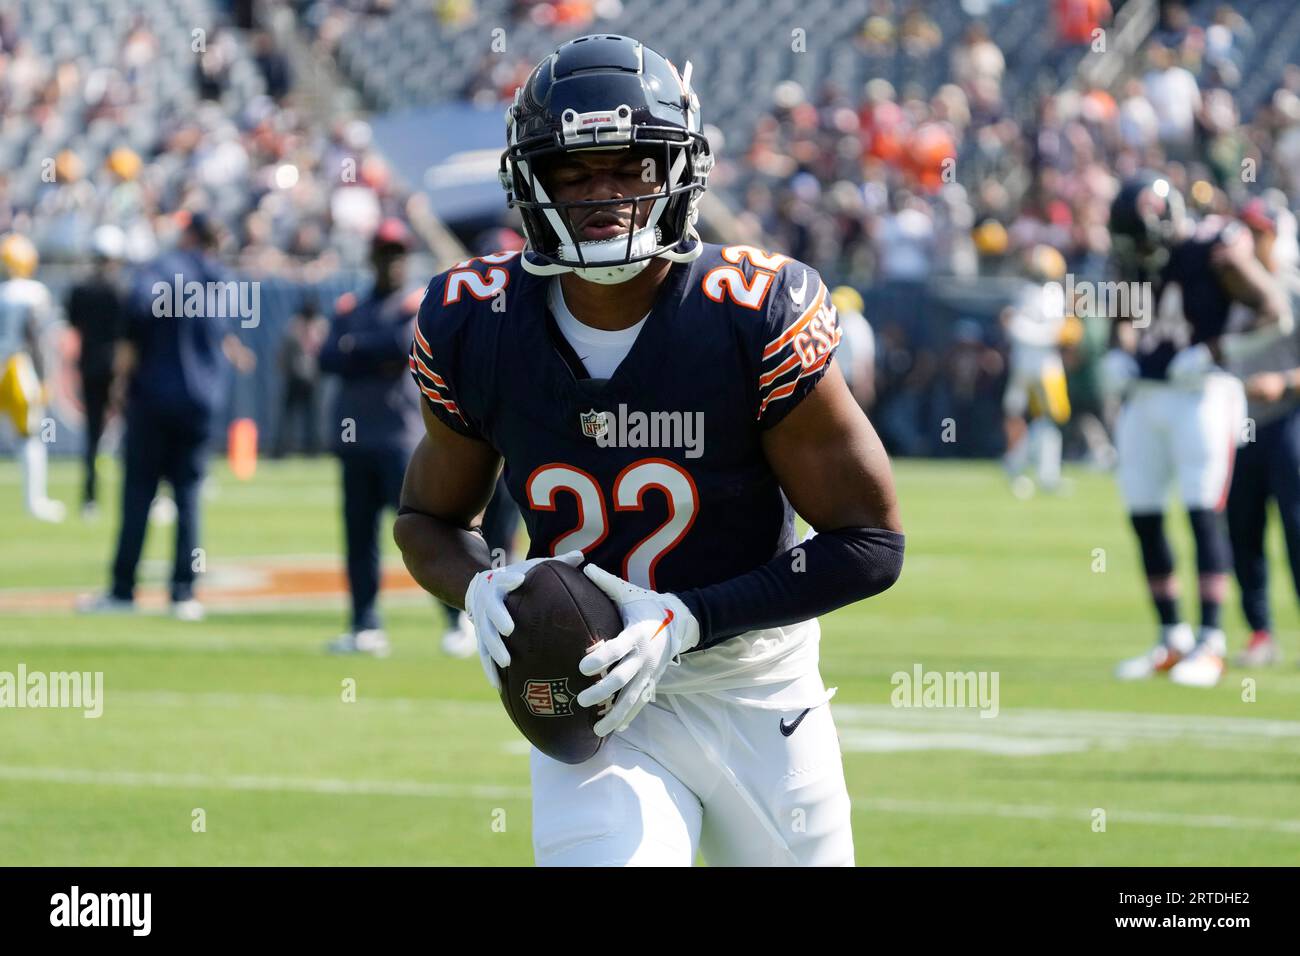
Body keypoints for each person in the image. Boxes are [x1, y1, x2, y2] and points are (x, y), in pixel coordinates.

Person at [394, 35, 904, 866]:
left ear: (680, 170)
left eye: (632, 165)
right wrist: (481, 584)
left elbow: (872, 544)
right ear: (528, 179)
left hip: (755, 685)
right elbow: (425, 518)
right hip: (589, 694)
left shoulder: (752, 312)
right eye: (573, 169)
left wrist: (689, 618)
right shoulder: (475, 321)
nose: (605, 194)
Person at [1107, 174, 1288, 687]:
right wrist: (1121, 352)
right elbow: (1126, 311)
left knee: (1202, 512)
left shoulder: (1216, 248)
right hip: (1148, 395)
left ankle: (1211, 642)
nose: (1138, 251)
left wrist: (1214, 352)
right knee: (1143, 513)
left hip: (1201, 393)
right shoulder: (1135, 254)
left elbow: (1275, 312)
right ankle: (1172, 637)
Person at [79, 214, 255, 620]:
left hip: (153, 400)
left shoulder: (159, 271)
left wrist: (120, 384)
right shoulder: (221, 280)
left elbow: (134, 325)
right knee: (189, 498)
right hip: (198, 403)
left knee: (139, 493)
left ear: (186, 234)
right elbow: (223, 333)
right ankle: (184, 593)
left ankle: (123, 591)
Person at [319, 219, 425, 656]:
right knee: (359, 538)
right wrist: (362, 350)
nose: (391, 262)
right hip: (357, 440)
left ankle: (458, 620)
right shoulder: (351, 305)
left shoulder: (415, 304)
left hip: (401, 438)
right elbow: (327, 356)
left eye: (397, 253)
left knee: (424, 534)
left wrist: (354, 348)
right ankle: (364, 623)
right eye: (385, 253)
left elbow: (399, 347)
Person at [1223, 196, 1300, 667]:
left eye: (1256, 231)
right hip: (1237, 423)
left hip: (1288, 418)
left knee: (1296, 527)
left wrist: (1285, 381)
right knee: (1242, 529)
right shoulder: (1227, 289)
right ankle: (1259, 633)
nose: (1248, 240)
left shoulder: (1291, 287)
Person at [0, 232, 64, 522]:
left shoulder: (3, 293)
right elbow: (37, 338)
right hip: (18, 368)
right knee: (31, 437)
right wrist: (44, 377)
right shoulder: (34, 293)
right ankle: (34, 501)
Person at [1000, 244, 1074, 497]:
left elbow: (1021, 327)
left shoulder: (1046, 294)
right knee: (1028, 417)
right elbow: (1022, 329)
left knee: (1048, 419)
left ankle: (1036, 469)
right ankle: (1026, 467)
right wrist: (1053, 335)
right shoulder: (1031, 293)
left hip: (1042, 364)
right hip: (1034, 364)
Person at [66, 225, 128, 518]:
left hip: (90, 366)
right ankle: (144, 495)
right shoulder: (120, 290)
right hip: (116, 367)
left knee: (92, 436)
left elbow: (74, 325)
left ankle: (89, 499)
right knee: (133, 432)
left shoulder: (81, 289)